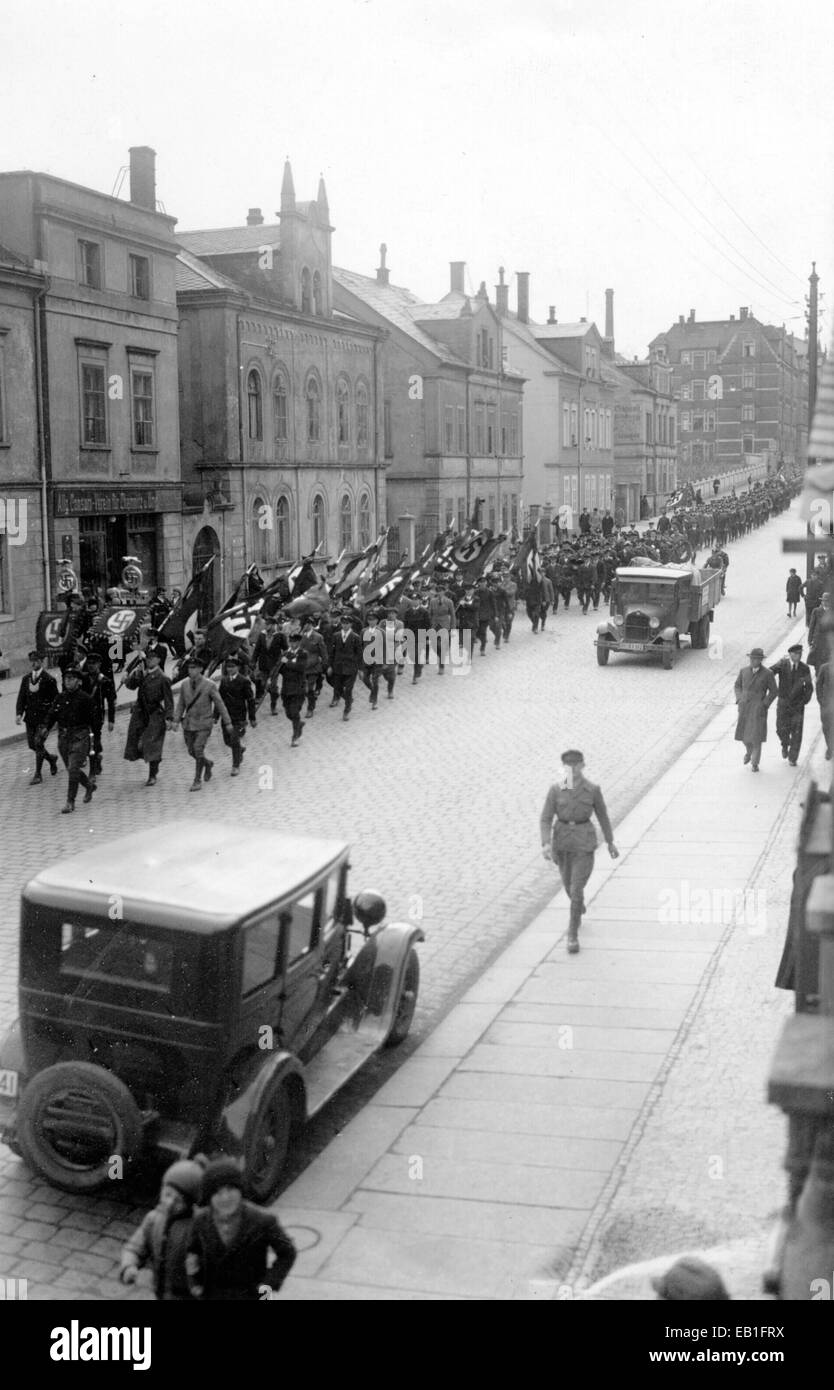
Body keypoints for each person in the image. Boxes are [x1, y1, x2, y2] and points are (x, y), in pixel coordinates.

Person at [540, 749, 619, 954]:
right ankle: (578, 906)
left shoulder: (592, 790)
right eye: (568, 766)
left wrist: (610, 842)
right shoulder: (556, 790)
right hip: (563, 844)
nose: (572, 769)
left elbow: (603, 816)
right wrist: (546, 843)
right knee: (569, 886)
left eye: (576, 765)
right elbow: (546, 818)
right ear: (564, 767)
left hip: (584, 843)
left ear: (582, 766)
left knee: (576, 888)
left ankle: (572, 935)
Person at [186, 1157, 296, 1302]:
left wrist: (268, 1285)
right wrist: (195, 1283)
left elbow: (287, 1252)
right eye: (217, 1192)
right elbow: (192, 1252)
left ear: (240, 1189)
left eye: (230, 1189)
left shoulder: (263, 1221)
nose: (225, 1197)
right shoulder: (201, 1220)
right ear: (209, 1197)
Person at [119, 1159, 205, 1301]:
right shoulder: (153, 1220)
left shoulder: (198, 1227)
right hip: (160, 1291)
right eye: (167, 1194)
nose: (170, 1203)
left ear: (191, 1203)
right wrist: (129, 1265)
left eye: (179, 1200)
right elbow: (134, 1248)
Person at [173, 655, 233, 790]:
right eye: (189, 668)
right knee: (191, 751)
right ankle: (207, 764)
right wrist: (176, 720)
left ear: (200, 669)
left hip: (204, 723)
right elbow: (181, 704)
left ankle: (197, 780)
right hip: (189, 723)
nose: (191, 671)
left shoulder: (209, 685)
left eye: (194, 668)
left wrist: (227, 722)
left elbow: (220, 704)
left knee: (198, 749)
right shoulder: (184, 684)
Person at [42, 667, 96, 814]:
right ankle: (89, 786)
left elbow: (94, 722)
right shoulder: (60, 698)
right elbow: (52, 714)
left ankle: (70, 802)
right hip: (64, 738)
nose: (68, 681)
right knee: (72, 769)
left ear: (78, 682)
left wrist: (95, 742)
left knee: (73, 769)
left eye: (72, 678)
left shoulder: (85, 698)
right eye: (66, 678)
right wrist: (45, 728)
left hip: (80, 736)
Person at [123, 648, 174, 787]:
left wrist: (169, 718)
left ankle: (152, 774)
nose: (149, 660)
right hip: (140, 712)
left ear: (158, 660)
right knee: (136, 741)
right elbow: (130, 686)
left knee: (152, 743)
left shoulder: (163, 678)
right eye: (148, 658)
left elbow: (169, 700)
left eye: (152, 658)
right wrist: (132, 676)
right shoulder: (142, 674)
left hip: (154, 713)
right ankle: (154, 763)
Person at [16, 651, 59, 784]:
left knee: (39, 743)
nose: (33, 663)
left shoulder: (49, 679)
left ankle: (38, 774)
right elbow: (21, 697)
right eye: (32, 661)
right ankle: (51, 759)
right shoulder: (26, 679)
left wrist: (52, 719)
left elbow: (56, 700)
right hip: (30, 718)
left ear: (41, 662)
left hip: (43, 719)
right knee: (32, 744)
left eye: (36, 661)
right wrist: (19, 713)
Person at [734, 647, 777, 772]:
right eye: (752, 659)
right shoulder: (743, 671)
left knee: (756, 737)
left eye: (757, 659)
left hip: (758, 709)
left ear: (761, 660)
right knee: (744, 736)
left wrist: (764, 704)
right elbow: (737, 685)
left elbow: (774, 691)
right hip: (745, 707)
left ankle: (755, 763)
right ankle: (748, 751)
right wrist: (739, 698)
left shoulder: (768, 673)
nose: (754, 661)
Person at [769, 643, 813, 766]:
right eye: (796, 654)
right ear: (790, 655)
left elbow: (809, 687)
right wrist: (778, 663)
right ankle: (784, 744)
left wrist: (804, 701)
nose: (799, 656)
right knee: (780, 728)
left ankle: (793, 758)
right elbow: (770, 672)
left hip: (798, 705)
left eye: (800, 654)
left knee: (797, 732)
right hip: (783, 703)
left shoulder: (805, 668)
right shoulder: (783, 664)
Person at [217, 653, 257, 774]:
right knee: (227, 741)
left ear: (238, 668)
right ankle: (240, 749)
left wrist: (252, 718)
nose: (230, 669)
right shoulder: (223, 681)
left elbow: (250, 700)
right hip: (226, 715)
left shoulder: (244, 681)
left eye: (233, 667)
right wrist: (215, 715)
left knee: (234, 740)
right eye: (228, 667)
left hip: (238, 716)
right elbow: (219, 699)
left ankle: (235, 765)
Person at [84, 650, 116, 784]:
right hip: (84, 715)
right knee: (87, 743)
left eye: (94, 664)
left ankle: (92, 771)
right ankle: (97, 757)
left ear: (99, 665)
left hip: (97, 716)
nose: (91, 666)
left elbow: (110, 701)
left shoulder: (104, 681)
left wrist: (111, 720)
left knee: (93, 742)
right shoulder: (83, 678)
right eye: (89, 663)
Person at [328, 613, 363, 719]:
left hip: (351, 668)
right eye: (343, 623)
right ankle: (346, 699)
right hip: (338, 667)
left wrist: (360, 669)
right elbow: (332, 652)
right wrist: (330, 666)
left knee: (348, 689)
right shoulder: (336, 636)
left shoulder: (355, 637)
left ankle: (347, 709)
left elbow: (359, 654)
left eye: (347, 624)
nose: (345, 625)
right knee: (337, 688)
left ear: (351, 624)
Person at [278, 627, 309, 744]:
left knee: (294, 712)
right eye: (291, 642)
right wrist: (280, 664)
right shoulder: (286, 653)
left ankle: (295, 736)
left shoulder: (303, 654)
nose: (292, 644)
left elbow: (301, 667)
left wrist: (288, 662)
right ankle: (299, 724)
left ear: (299, 642)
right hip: (286, 688)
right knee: (288, 713)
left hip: (298, 688)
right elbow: (279, 670)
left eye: (295, 642)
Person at [300, 615, 328, 717]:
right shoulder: (300, 637)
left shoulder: (318, 637)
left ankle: (310, 708)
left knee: (309, 688)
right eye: (303, 625)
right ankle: (312, 699)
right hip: (303, 667)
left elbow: (324, 653)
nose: (304, 626)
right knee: (305, 689)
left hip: (314, 667)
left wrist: (325, 666)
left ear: (310, 624)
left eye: (306, 624)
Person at [817, 660, 832, 759]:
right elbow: (818, 684)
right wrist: (821, 700)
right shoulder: (825, 667)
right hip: (827, 704)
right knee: (827, 727)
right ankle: (830, 748)